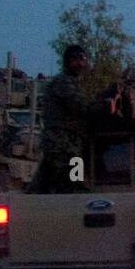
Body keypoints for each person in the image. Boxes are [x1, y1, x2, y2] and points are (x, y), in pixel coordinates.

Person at [31, 45, 110, 193]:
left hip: (66, 143)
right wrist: (105, 104)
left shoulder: (73, 83)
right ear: (67, 62)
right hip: (63, 144)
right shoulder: (63, 83)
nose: (80, 64)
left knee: (44, 186)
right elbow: (83, 107)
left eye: (83, 59)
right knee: (76, 184)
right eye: (75, 59)